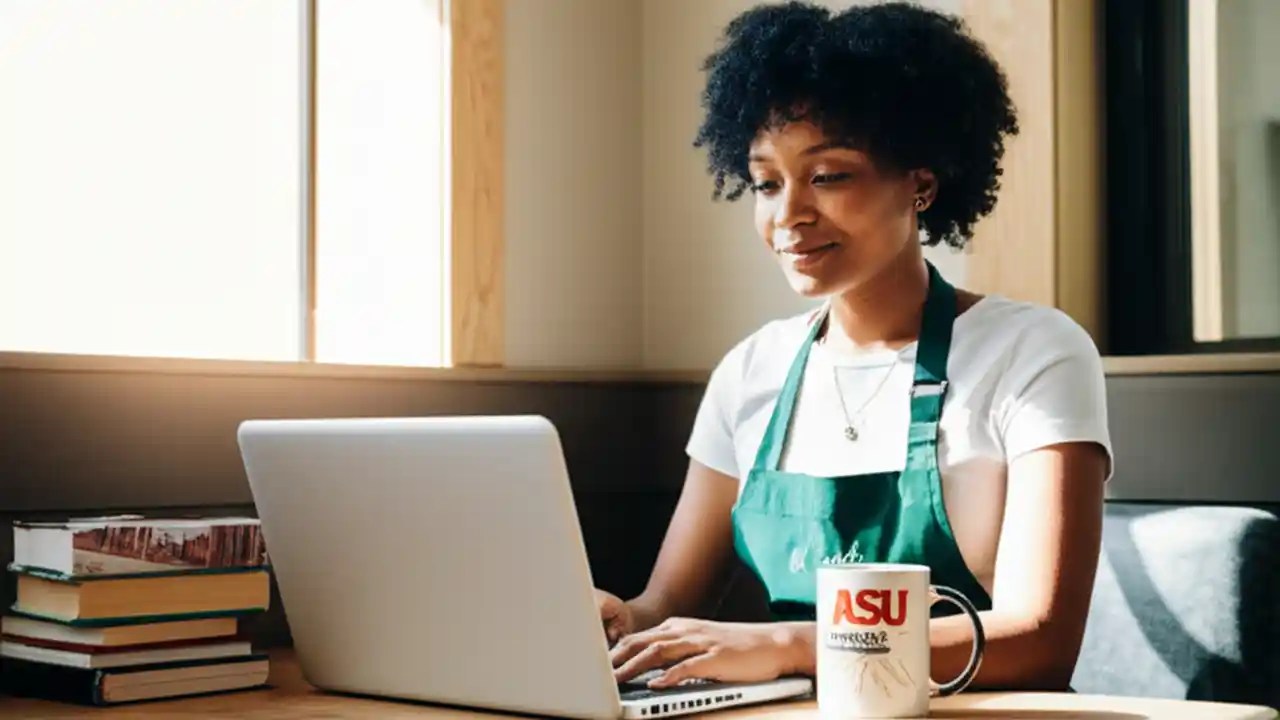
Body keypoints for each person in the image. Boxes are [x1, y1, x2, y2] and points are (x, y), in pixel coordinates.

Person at [597, 0, 1112, 692]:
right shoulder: (751, 371)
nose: (789, 215)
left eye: (829, 176)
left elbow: (1041, 640)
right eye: (766, 182)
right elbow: (668, 609)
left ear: (921, 183)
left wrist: (788, 645)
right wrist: (620, 620)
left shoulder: (1032, 352)